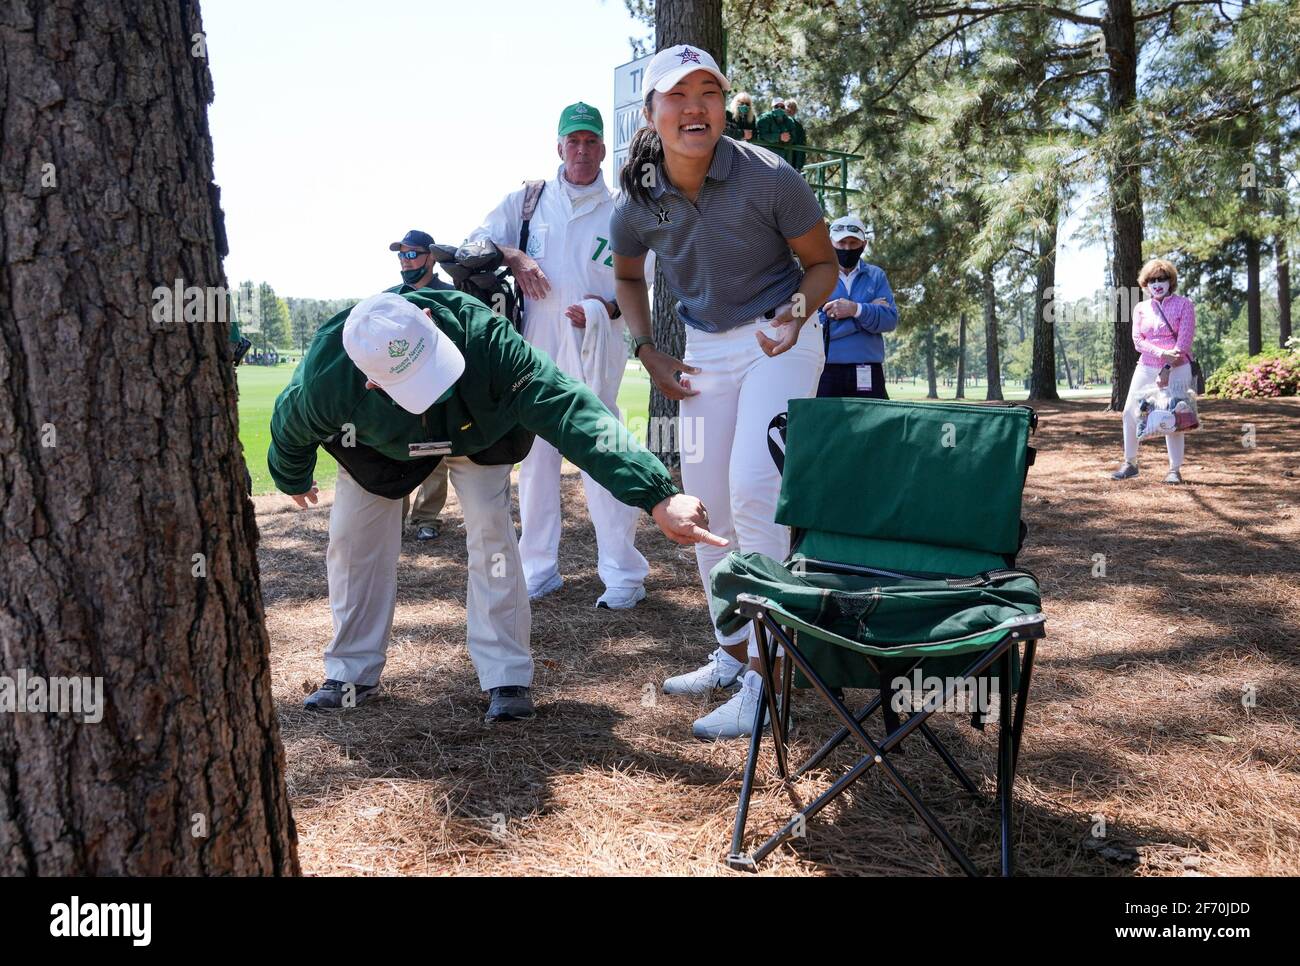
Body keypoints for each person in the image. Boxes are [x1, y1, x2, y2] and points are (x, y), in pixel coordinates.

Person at [269, 289, 723, 720]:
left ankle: (506, 677)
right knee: (351, 544)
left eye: (435, 367)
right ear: (369, 379)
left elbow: (568, 408)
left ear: (429, 322)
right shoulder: (330, 372)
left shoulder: (485, 336)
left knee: (493, 541)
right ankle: (349, 673)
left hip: (479, 435)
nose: (436, 392)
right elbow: (289, 428)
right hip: (378, 450)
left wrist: (657, 494)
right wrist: (292, 476)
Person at [609, 45, 838, 740]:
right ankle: (733, 651)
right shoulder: (638, 199)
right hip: (704, 349)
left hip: (783, 335)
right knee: (701, 504)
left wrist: (793, 316)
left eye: (708, 91)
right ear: (651, 115)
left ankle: (770, 680)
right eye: (677, 95)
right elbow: (626, 278)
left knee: (752, 487)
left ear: (723, 106)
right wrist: (647, 351)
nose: (694, 106)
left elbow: (823, 265)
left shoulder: (771, 176)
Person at [468, 103, 651, 610]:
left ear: (601, 148)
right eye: (574, 141)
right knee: (536, 462)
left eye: (592, 141)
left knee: (601, 457)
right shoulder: (529, 201)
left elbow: (645, 279)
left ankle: (623, 574)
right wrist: (515, 255)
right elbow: (475, 242)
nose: (583, 151)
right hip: (533, 350)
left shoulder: (622, 209)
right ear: (559, 147)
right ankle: (539, 569)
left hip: (595, 348)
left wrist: (603, 306)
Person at [387, 229, 453, 540]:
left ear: (431, 258)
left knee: (434, 454)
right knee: (397, 451)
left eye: (412, 254)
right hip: (398, 387)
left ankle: (427, 518)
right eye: (401, 254)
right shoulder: (390, 298)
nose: (405, 260)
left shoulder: (449, 295)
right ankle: (394, 519)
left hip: (438, 386)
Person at [1113, 258, 1196, 485]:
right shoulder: (1141, 308)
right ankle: (1130, 463)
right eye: (1152, 280)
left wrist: (1167, 367)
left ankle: (1174, 469)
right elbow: (1138, 341)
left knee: (1173, 416)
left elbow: (1184, 342)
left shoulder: (1184, 304)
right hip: (1147, 365)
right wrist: (1160, 355)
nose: (1157, 284)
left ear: (1171, 281)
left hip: (1177, 368)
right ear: (1145, 283)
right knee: (1129, 412)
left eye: (1162, 279)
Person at [817, 215, 898, 399]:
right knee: (828, 427)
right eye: (842, 242)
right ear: (830, 243)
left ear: (864, 244)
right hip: (826, 371)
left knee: (873, 427)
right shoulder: (816, 277)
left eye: (853, 243)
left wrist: (855, 309)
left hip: (868, 370)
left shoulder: (876, 276)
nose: (847, 248)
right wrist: (867, 311)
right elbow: (817, 328)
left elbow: (890, 320)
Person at [755, 97, 796, 162]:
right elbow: (761, 135)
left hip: (782, 158)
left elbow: (793, 138)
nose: (779, 109)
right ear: (772, 108)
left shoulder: (789, 121)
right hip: (765, 156)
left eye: (782, 107)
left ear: (784, 108)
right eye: (776, 106)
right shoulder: (764, 118)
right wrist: (779, 137)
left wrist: (788, 138)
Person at [783, 99, 807, 171]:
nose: (790, 109)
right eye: (788, 106)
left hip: (791, 164)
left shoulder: (798, 127)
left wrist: (798, 167)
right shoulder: (775, 122)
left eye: (793, 108)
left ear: (795, 111)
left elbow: (801, 147)